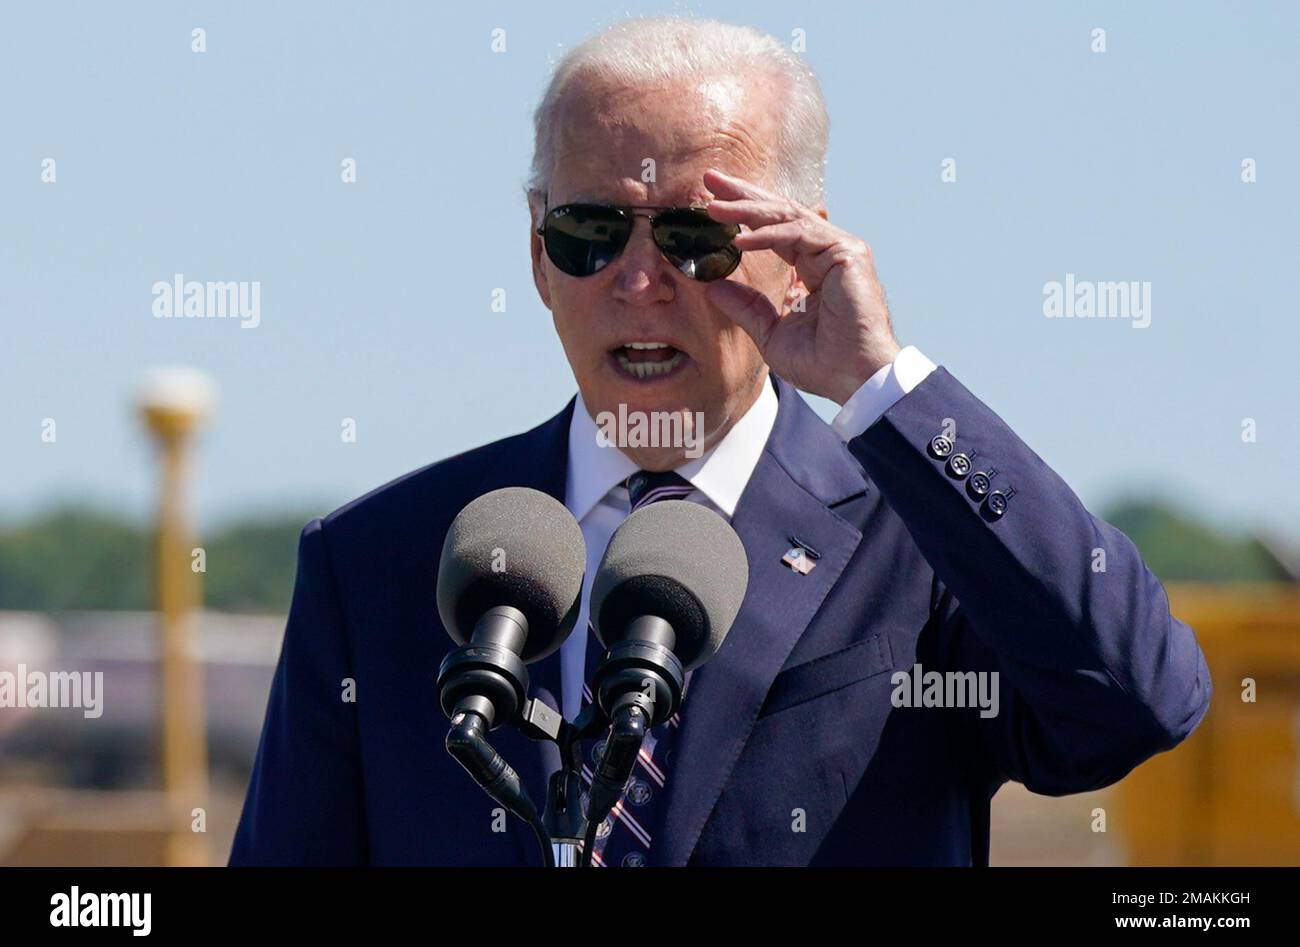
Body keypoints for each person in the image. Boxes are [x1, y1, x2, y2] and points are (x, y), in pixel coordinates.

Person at [230, 16, 1211, 866]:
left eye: (694, 236)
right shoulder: (380, 561)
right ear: (536, 254)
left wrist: (882, 385)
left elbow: (1134, 698)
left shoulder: (916, 542)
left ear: (798, 256)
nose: (639, 281)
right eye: (590, 231)